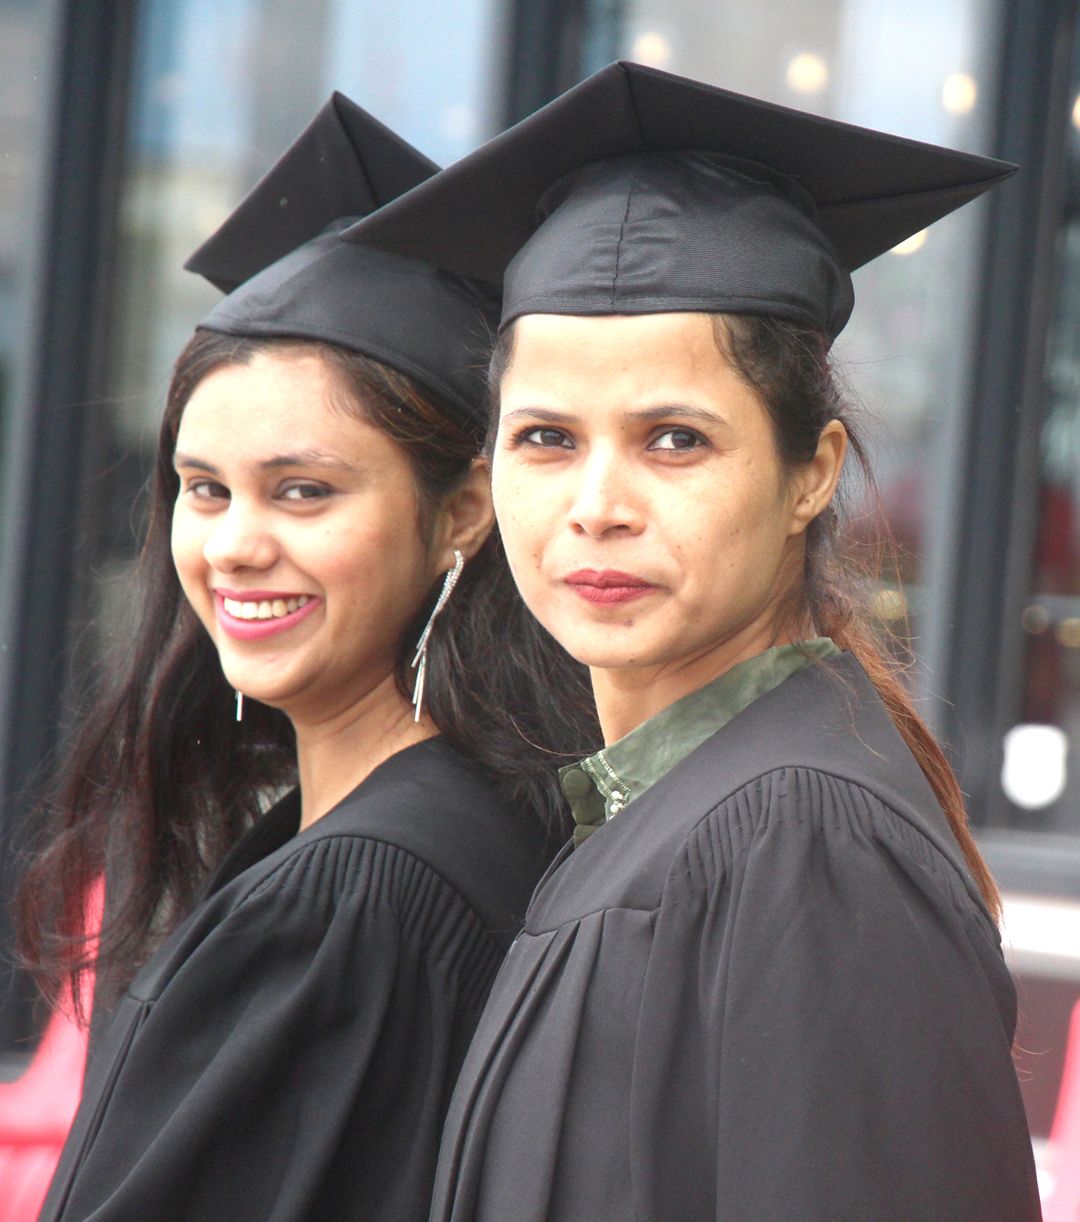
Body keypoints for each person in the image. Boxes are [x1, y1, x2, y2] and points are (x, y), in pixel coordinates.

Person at [346, 62, 1042, 1219]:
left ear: (810, 474)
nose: (598, 504)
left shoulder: (803, 839)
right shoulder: (659, 808)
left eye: (674, 438)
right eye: (546, 438)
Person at [18, 93, 596, 1221]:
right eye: (203, 489)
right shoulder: (431, 825)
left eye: (305, 490)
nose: (236, 543)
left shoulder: (364, 891)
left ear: (463, 510)